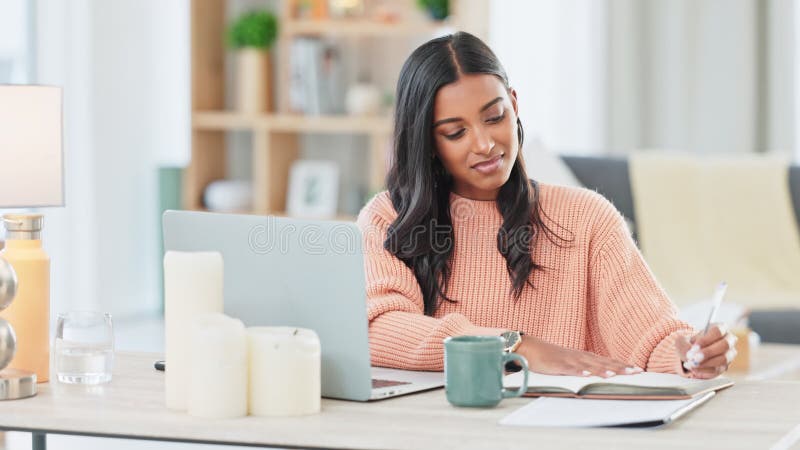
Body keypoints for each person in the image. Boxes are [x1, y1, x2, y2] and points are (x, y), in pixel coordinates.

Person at [356, 32, 736, 379]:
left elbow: (652, 337)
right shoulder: (389, 217)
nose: (485, 143)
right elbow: (378, 328)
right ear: (427, 141)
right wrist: (515, 346)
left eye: (494, 117)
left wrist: (691, 354)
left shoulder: (587, 217)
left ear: (514, 104)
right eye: (456, 133)